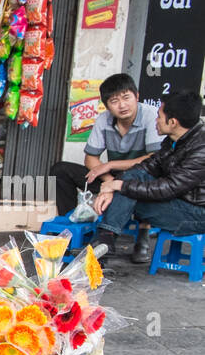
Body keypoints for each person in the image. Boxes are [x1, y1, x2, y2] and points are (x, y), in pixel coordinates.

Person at [49, 74, 162, 237]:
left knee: (143, 177)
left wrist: (110, 166)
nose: (122, 105)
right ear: (107, 105)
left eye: (126, 97)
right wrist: (110, 182)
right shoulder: (104, 119)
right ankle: (72, 226)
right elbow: (90, 159)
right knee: (61, 170)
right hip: (113, 178)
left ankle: (141, 232)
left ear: (136, 96)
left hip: (141, 179)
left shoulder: (151, 116)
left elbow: (153, 159)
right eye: (114, 101)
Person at [95, 90, 205, 252]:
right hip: (179, 201)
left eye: (159, 116)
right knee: (132, 180)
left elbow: (169, 188)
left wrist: (120, 186)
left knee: (128, 193)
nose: (156, 120)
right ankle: (105, 240)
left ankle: (104, 242)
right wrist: (112, 185)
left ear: (173, 122)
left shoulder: (200, 150)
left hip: (197, 214)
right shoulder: (175, 139)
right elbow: (147, 166)